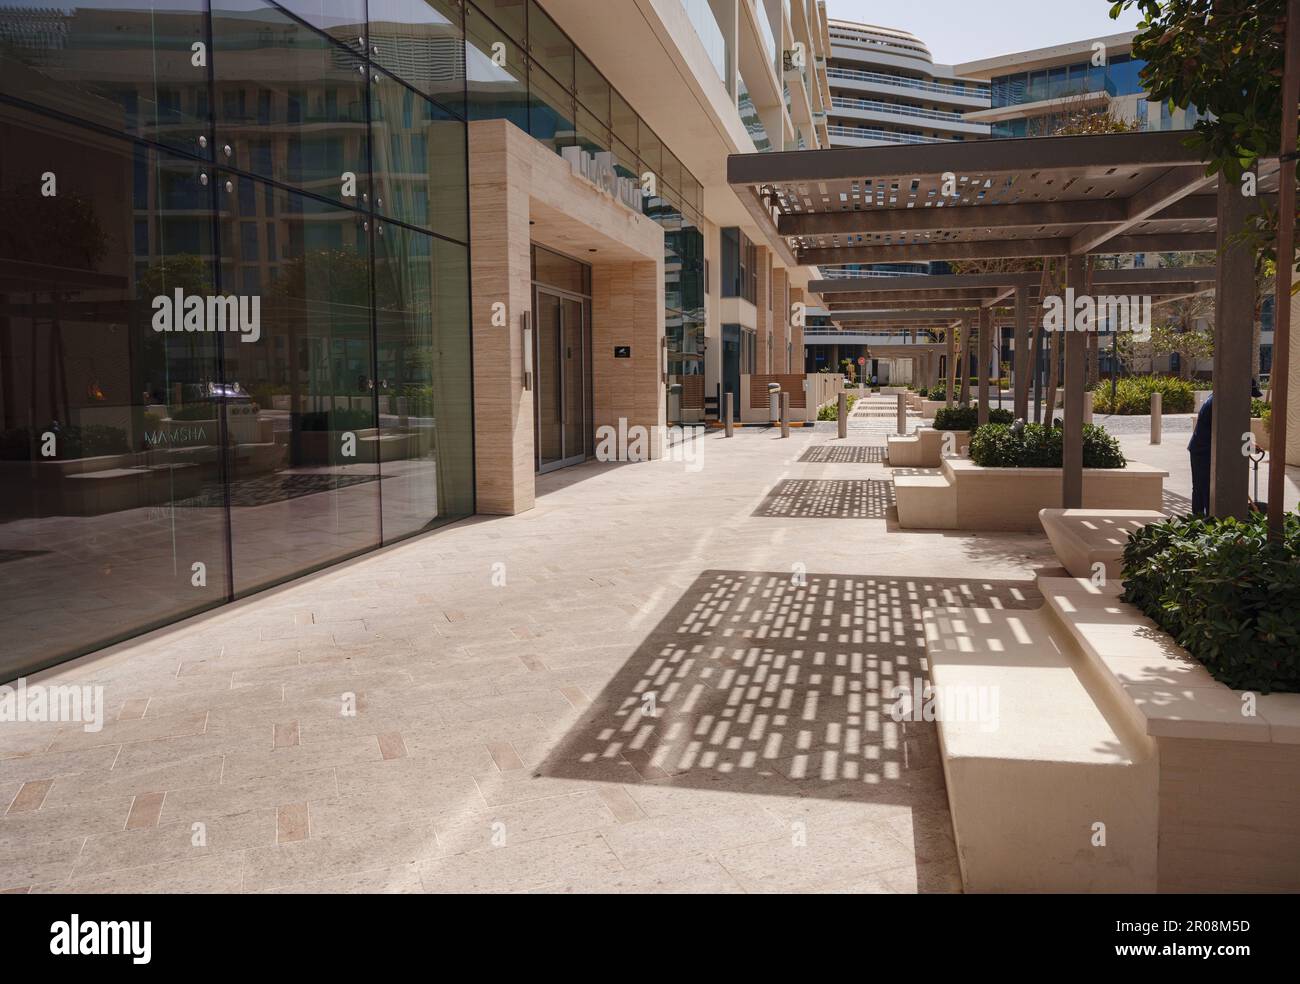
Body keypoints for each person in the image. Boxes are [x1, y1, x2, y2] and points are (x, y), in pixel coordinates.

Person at [1188, 393, 1212, 515]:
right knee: (1205, 487)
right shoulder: (1218, 403)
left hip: (1200, 448)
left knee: (1200, 487)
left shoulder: (1214, 398)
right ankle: (1204, 519)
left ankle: (1198, 520)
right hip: (1203, 450)